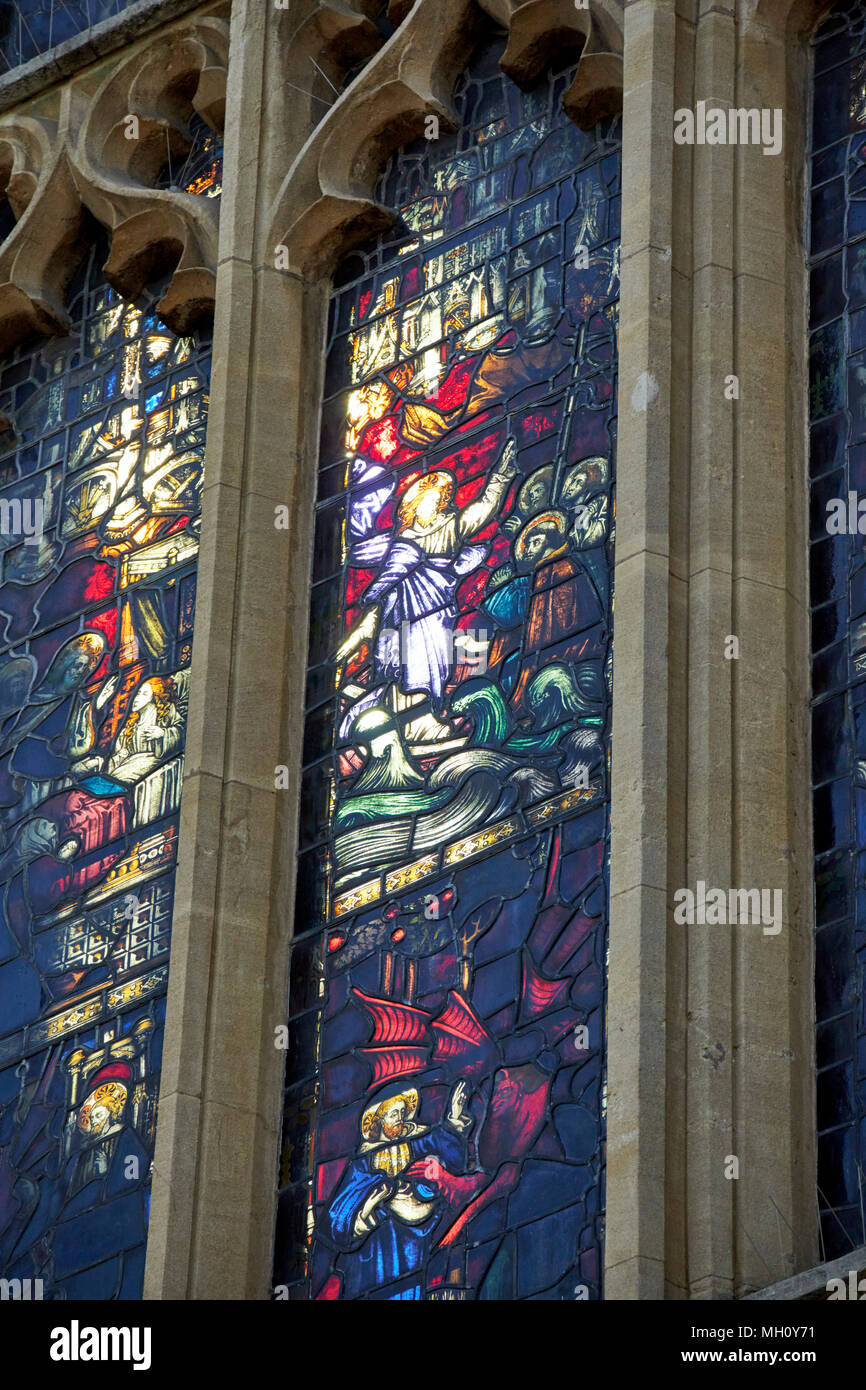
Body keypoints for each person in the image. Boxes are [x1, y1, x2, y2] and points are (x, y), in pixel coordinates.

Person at [336, 438, 518, 712]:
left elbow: (481, 510)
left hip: (435, 614)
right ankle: (398, 712)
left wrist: (500, 478)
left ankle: (427, 712)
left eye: (437, 500)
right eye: (426, 500)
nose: (431, 506)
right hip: (399, 618)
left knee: (429, 663)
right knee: (396, 666)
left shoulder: (449, 529)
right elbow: (386, 587)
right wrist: (363, 627)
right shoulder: (402, 541)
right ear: (413, 506)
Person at [324, 1081, 472, 1300]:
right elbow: (340, 1208)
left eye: (403, 1113)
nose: (400, 1119)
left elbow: (449, 1152)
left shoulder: (412, 1143)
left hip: (408, 1244)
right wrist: (374, 1201)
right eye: (394, 1114)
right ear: (378, 1121)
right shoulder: (364, 1160)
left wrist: (452, 1120)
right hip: (371, 1252)